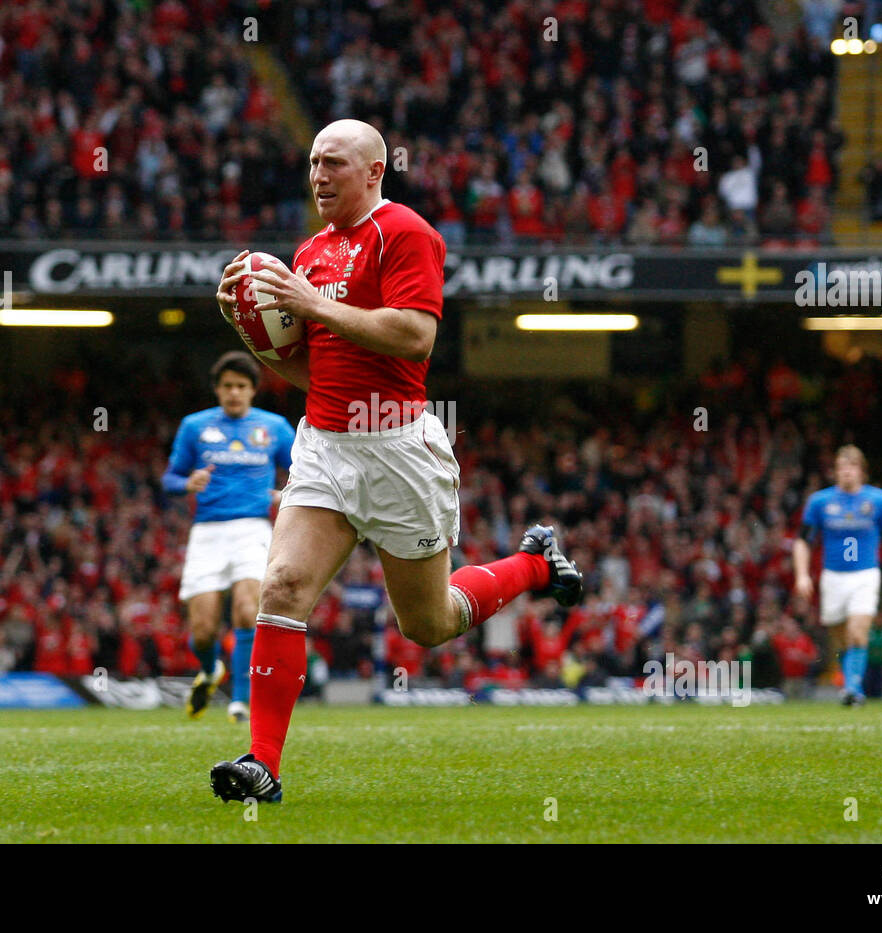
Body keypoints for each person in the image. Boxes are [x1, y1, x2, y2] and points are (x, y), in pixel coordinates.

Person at [209, 119, 582, 802]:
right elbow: (315, 371)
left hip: (397, 448)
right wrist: (258, 337)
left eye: (336, 164)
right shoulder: (310, 250)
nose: (320, 176)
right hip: (323, 443)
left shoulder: (405, 232)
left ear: (375, 171)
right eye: (315, 163)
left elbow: (415, 336)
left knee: (429, 623)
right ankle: (263, 763)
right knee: (284, 586)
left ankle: (534, 563)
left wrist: (312, 302)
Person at [162, 351, 294, 723]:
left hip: (253, 528)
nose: (234, 393)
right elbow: (169, 479)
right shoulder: (195, 427)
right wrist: (186, 483)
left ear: (253, 390)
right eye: (227, 386)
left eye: (241, 386)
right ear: (217, 390)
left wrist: (286, 494)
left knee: (247, 611)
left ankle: (239, 700)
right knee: (203, 631)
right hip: (207, 532)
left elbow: (305, 470)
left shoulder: (274, 427)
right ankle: (208, 671)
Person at [793, 446, 882, 706]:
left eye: (852, 466)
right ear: (835, 472)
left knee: (858, 631)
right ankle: (850, 683)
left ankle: (853, 689)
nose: (846, 471)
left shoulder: (879, 501)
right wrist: (802, 575)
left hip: (865, 574)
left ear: (862, 471)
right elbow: (802, 541)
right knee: (840, 637)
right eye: (841, 467)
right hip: (832, 576)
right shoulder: (820, 502)